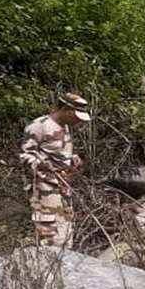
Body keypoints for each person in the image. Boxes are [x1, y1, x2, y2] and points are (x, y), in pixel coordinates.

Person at [20, 92, 90, 246]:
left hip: (63, 185)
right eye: (76, 116)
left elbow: (57, 151)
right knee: (50, 235)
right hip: (43, 186)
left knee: (66, 232)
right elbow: (25, 156)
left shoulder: (65, 126)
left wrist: (72, 159)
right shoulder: (39, 125)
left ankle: (64, 264)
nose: (78, 121)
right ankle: (45, 266)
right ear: (66, 109)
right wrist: (43, 165)